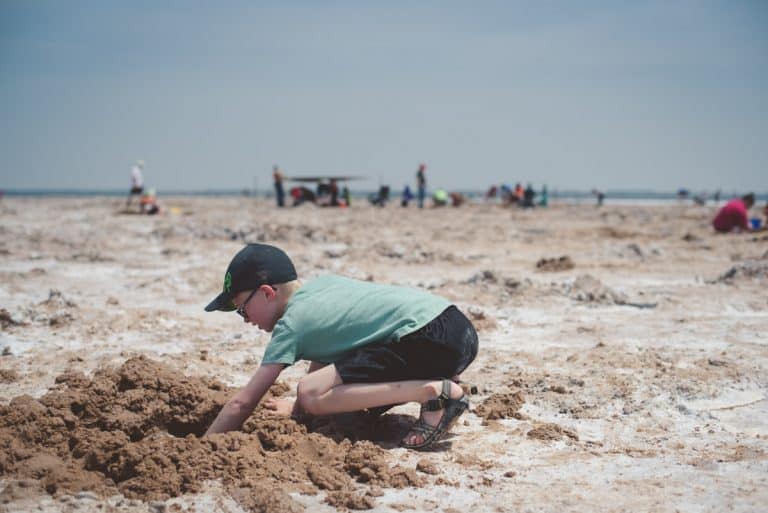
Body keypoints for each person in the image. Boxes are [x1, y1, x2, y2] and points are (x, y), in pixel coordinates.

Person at [203, 244, 479, 450]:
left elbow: (243, 402)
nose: (246, 320)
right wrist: (296, 410)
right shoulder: (322, 287)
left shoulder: (291, 325)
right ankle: (445, 379)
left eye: (242, 309)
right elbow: (330, 362)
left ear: (267, 293)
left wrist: (205, 445)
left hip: (424, 339)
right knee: (337, 407)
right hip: (457, 329)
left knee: (310, 393)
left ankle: (434, 392)